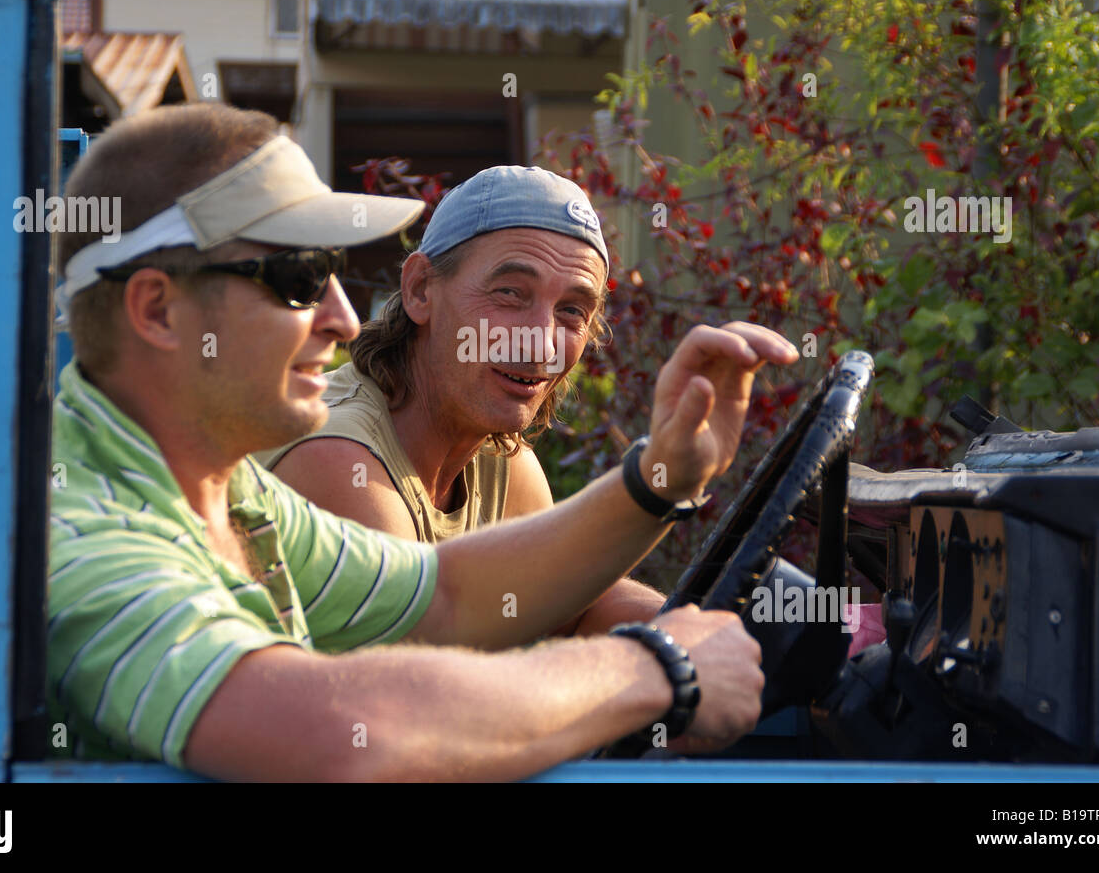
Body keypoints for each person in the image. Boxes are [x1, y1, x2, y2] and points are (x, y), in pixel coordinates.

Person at [48, 102, 797, 782]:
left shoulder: (228, 490)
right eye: (298, 278)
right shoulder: (91, 537)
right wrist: (658, 669)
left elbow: (441, 595)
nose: (342, 318)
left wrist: (662, 477)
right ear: (158, 311)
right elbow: (343, 735)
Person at [263, 165, 663, 635]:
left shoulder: (502, 462)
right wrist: (659, 482)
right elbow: (425, 669)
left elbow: (572, 605)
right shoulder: (337, 458)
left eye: (571, 310)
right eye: (510, 293)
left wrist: (707, 628)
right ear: (419, 289)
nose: (542, 342)